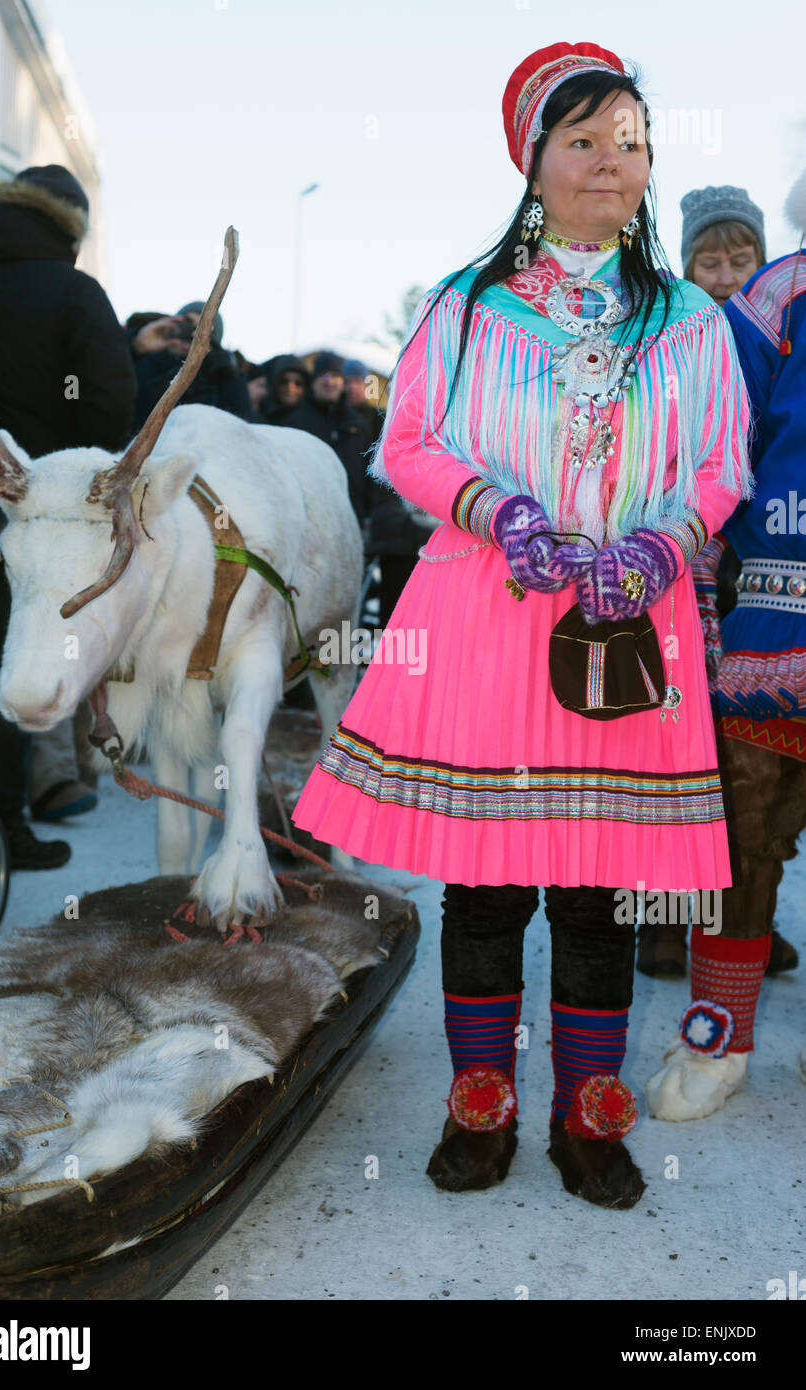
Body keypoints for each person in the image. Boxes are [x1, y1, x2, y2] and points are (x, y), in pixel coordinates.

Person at [291, 42, 752, 1207]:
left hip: (631, 626)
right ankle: (479, 1103)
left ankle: (587, 1116)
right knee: (489, 884)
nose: (612, 160)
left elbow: (720, 461)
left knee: (601, 885)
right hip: (494, 614)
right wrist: (502, 511)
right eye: (585, 139)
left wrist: (661, 542)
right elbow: (410, 444)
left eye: (631, 140)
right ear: (533, 162)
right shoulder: (466, 305)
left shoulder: (688, 318)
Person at [645, 172, 806, 1121]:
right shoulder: (774, 298)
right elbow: (716, 445)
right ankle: (718, 1039)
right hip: (779, 608)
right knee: (745, 826)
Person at [0, 164, 137, 869]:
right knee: (6, 654)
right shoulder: (73, 292)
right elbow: (111, 407)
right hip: (32, 511)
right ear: (70, 227)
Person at [281, 351, 374, 536]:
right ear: (314, 381)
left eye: (336, 377)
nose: (329, 381)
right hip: (308, 521)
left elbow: (369, 475)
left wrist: (370, 516)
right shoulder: (295, 422)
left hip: (351, 519)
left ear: (342, 384)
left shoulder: (358, 424)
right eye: (324, 375)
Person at [127, 301, 251, 428]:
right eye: (187, 323)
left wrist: (227, 374)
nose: (192, 334)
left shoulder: (222, 376)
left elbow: (240, 424)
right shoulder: (148, 361)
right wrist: (135, 346)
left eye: (203, 329)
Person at [259, 355, 310, 424]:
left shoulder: (316, 420)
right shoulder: (258, 416)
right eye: (283, 382)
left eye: (298, 383)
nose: (290, 388)